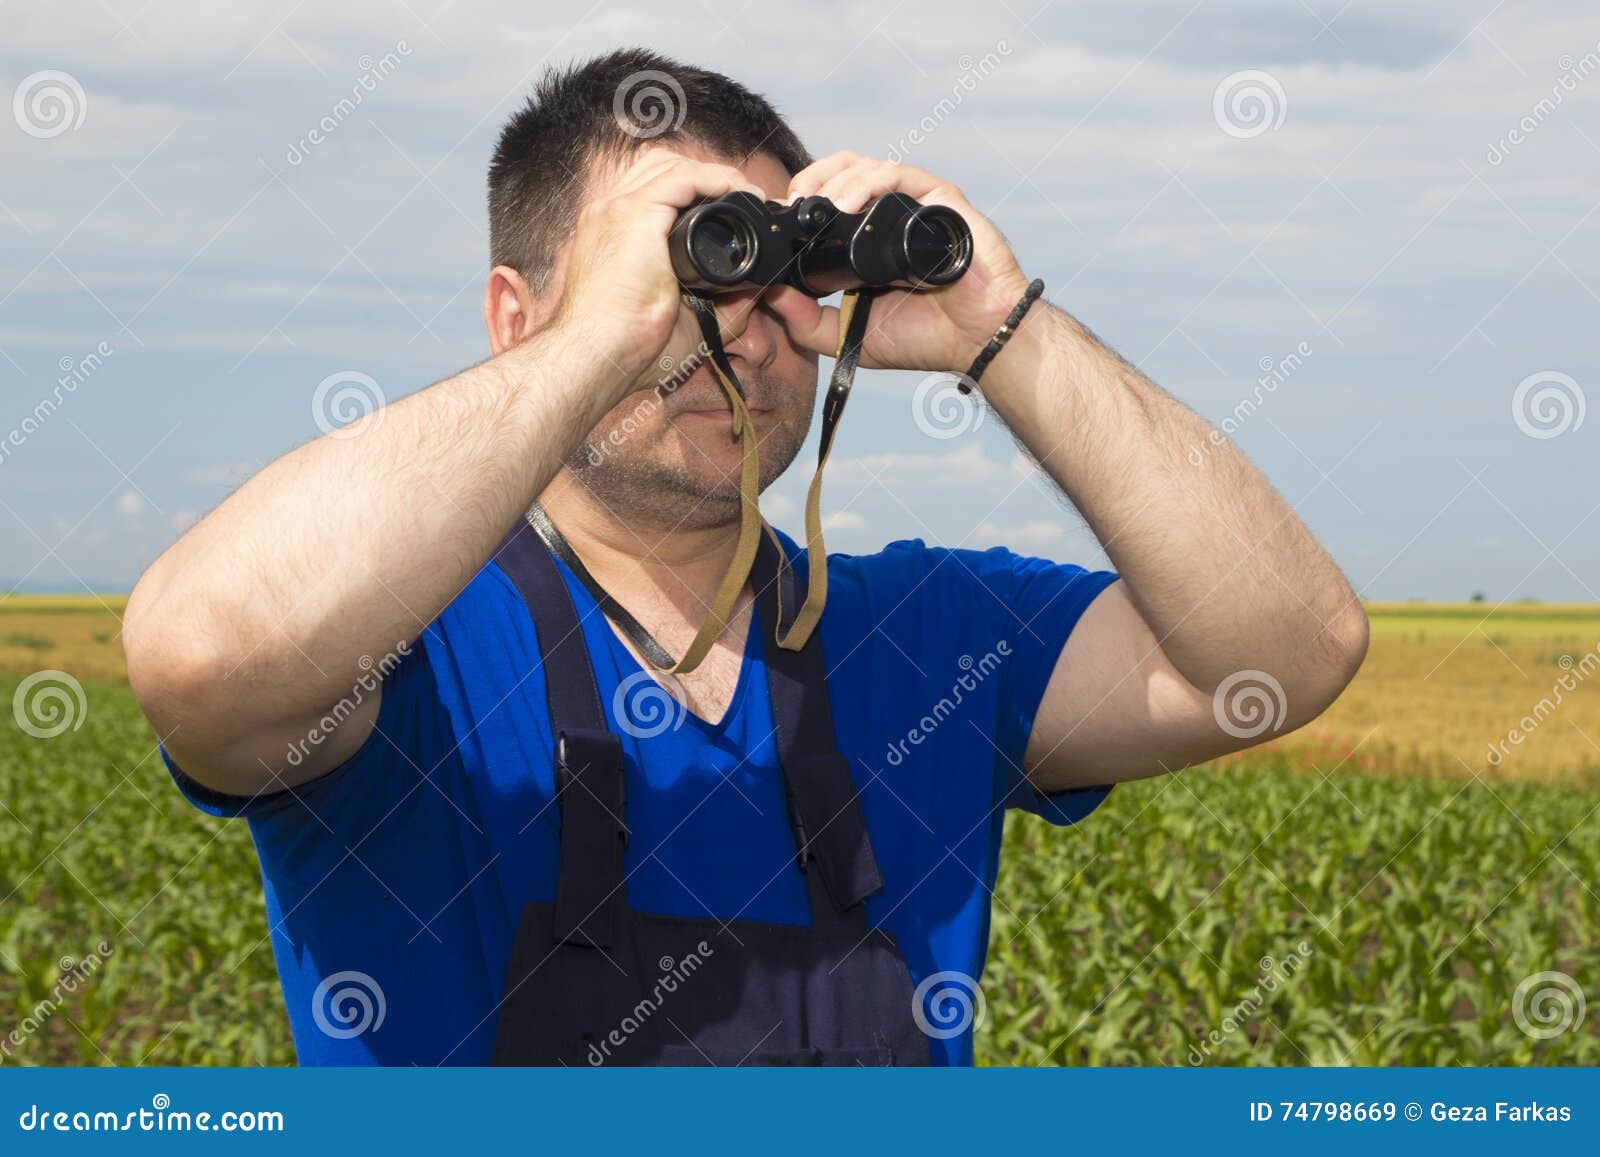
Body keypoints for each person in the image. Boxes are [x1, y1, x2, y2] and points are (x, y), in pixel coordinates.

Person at [121, 48, 1367, 1067]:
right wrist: (599, 339)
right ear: (515, 315)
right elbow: (204, 654)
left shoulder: (927, 629)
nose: (746, 329)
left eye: (781, 272)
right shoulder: (412, 650)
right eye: (693, 261)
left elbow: (1287, 654)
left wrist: (1005, 329)